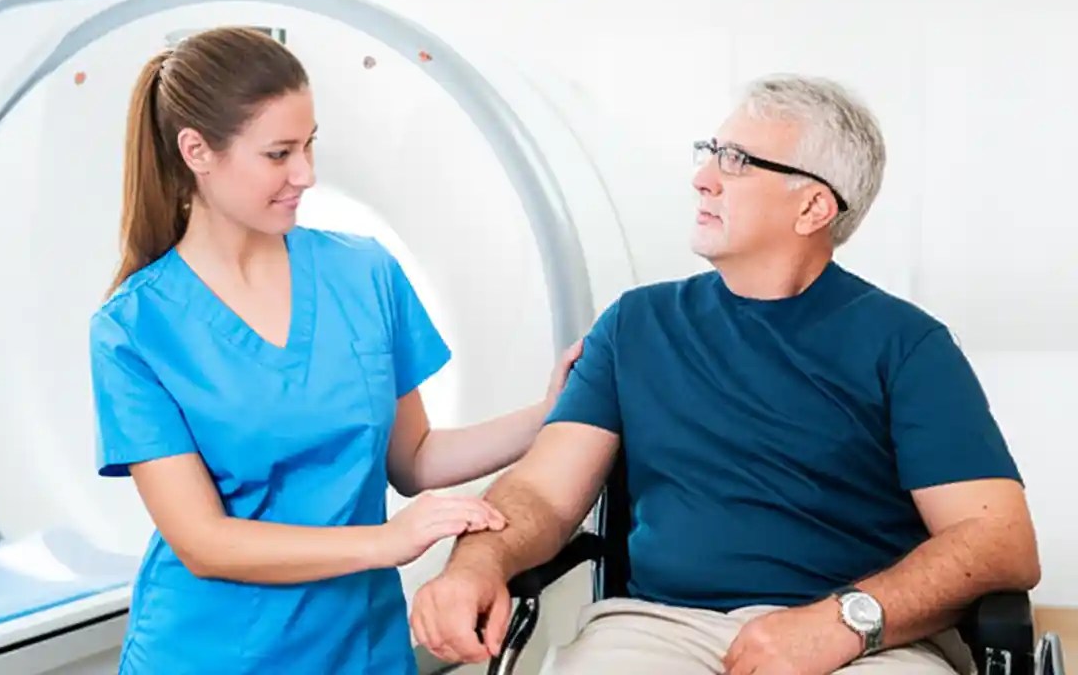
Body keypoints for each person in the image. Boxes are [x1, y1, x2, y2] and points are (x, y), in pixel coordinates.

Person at [411, 74, 1042, 674]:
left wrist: (843, 623)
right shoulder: (635, 326)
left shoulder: (907, 345)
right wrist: (476, 562)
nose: (703, 178)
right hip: (660, 629)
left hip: (863, 642)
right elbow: (543, 495)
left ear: (814, 206)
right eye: (711, 152)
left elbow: (998, 538)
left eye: (736, 161)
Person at [87, 26, 581, 675]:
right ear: (196, 151)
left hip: (360, 647)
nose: (306, 174)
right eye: (278, 153)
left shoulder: (364, 273)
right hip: (210, 652)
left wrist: (551, 413)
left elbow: (415, 459)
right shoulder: (135, 326)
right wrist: (391, 541)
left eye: (310, 144)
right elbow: (204, 542)